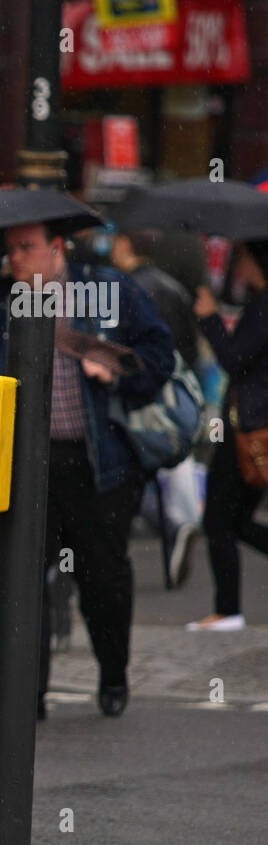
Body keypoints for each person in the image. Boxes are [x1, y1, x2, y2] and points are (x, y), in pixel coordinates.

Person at [0, 221, 174, 717]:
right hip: (24, 464)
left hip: (100, 466)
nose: (16, 257)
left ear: (57, 250)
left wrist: (112, 365)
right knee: (22, 579)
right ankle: (25, 695)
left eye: (26, 247)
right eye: (10, 248)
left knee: (103, 581)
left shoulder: (108, 290)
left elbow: (160, 356)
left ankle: (113, 674)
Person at [111, 229, 205, 585]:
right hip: (173, 391)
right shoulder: (172, 287)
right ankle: (181, 524)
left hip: (138, 391)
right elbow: (189, 345)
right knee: (172, 458)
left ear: (125, 245)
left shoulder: (126, 289)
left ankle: (175, 526)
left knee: (130, 467)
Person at [185, 241, 268, 631]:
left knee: (219, 518)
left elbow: (235, 358)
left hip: (247, 427)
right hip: (250, 423)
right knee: (235, 519)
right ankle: (227, 608)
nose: (240, 268)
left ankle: (227, 610)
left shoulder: (264, 304)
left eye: (245, 259)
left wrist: (209, 318)